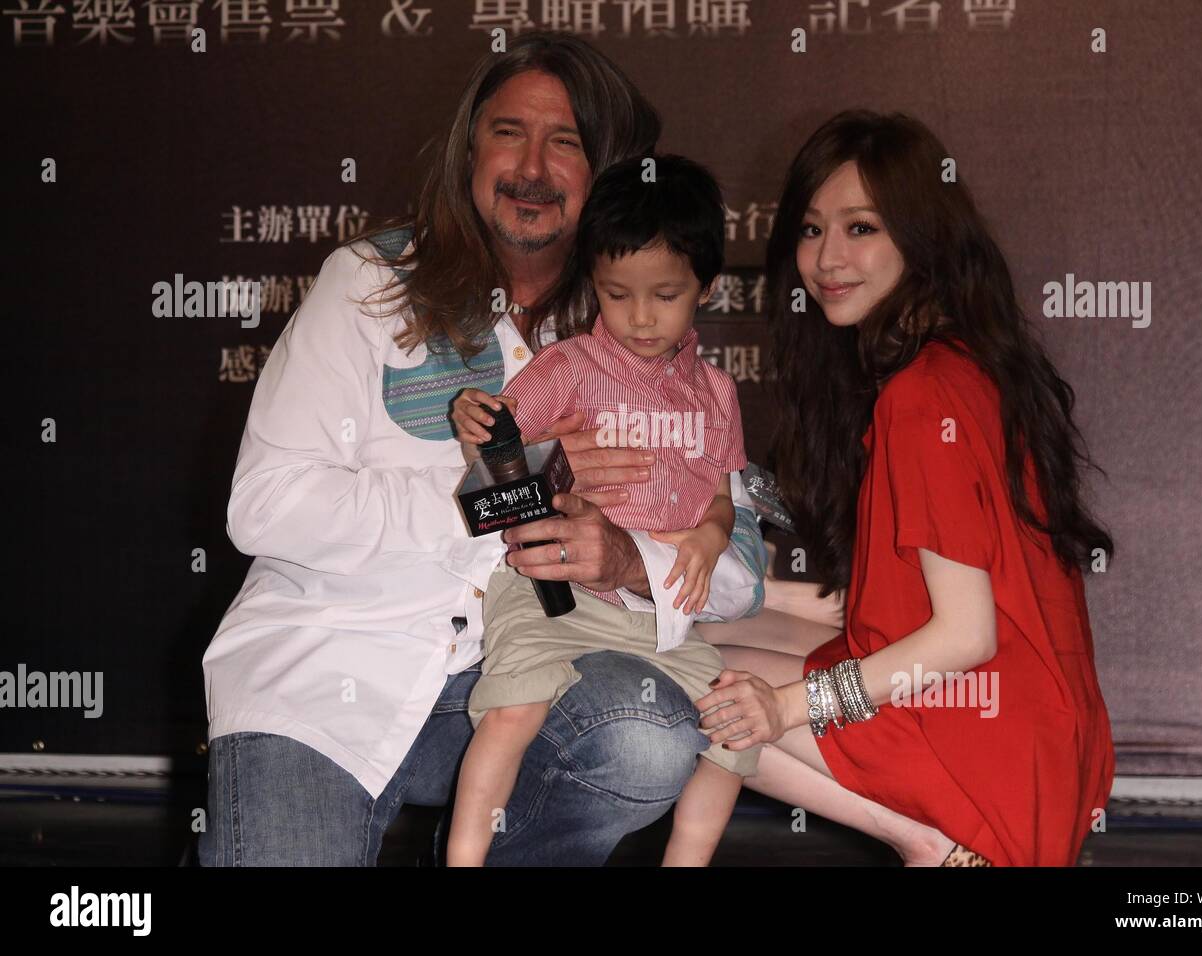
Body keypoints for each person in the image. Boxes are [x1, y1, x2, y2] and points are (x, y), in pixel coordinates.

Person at [198, 31, 767, 867]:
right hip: (326, 672)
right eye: (508, 133)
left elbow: (743, 569)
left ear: (606, 170)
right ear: (470, 148)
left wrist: (625, 560)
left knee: (645, 735)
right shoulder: (367, 284)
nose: (531, 167)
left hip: (533, 670)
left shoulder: (642, 332)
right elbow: (267, 504)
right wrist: (515, 482)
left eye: (565, 141)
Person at [693, 110, 1117, 866]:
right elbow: (903, 603)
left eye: (862, 229)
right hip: (1038, 738)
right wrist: (727, 591)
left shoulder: (923, 398)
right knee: (700, 635)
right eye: (812, 229)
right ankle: (940, 845)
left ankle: (948, 844)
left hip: (982, 741)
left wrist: (787, 707)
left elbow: (962, 635)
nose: (827, 258)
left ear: (920, 236)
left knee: (690, 674)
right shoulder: (962, 362)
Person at [446, 155, 758, 867]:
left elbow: (720, 491)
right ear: (594, 285)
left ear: (705, 287)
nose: (641, 318)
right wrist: (477, 418)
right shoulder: (571, 366)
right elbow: (496, 458)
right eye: (618, 295)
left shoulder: (714, 392)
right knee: (514, 706)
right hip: (548, 585)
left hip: (653, 613)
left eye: (666, 295)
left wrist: (713, 533)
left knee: (738, 725)